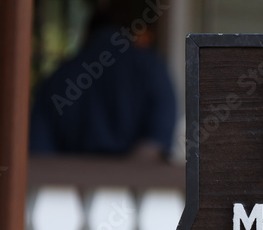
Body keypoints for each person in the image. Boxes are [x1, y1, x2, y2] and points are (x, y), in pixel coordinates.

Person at [29, 11, 177, 161]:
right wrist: (120, 179)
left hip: (69, 179)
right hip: (132, 180)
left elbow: (40, 151)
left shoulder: (58, 77)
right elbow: (156, 141)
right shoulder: (152, 69)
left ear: (87, 34)